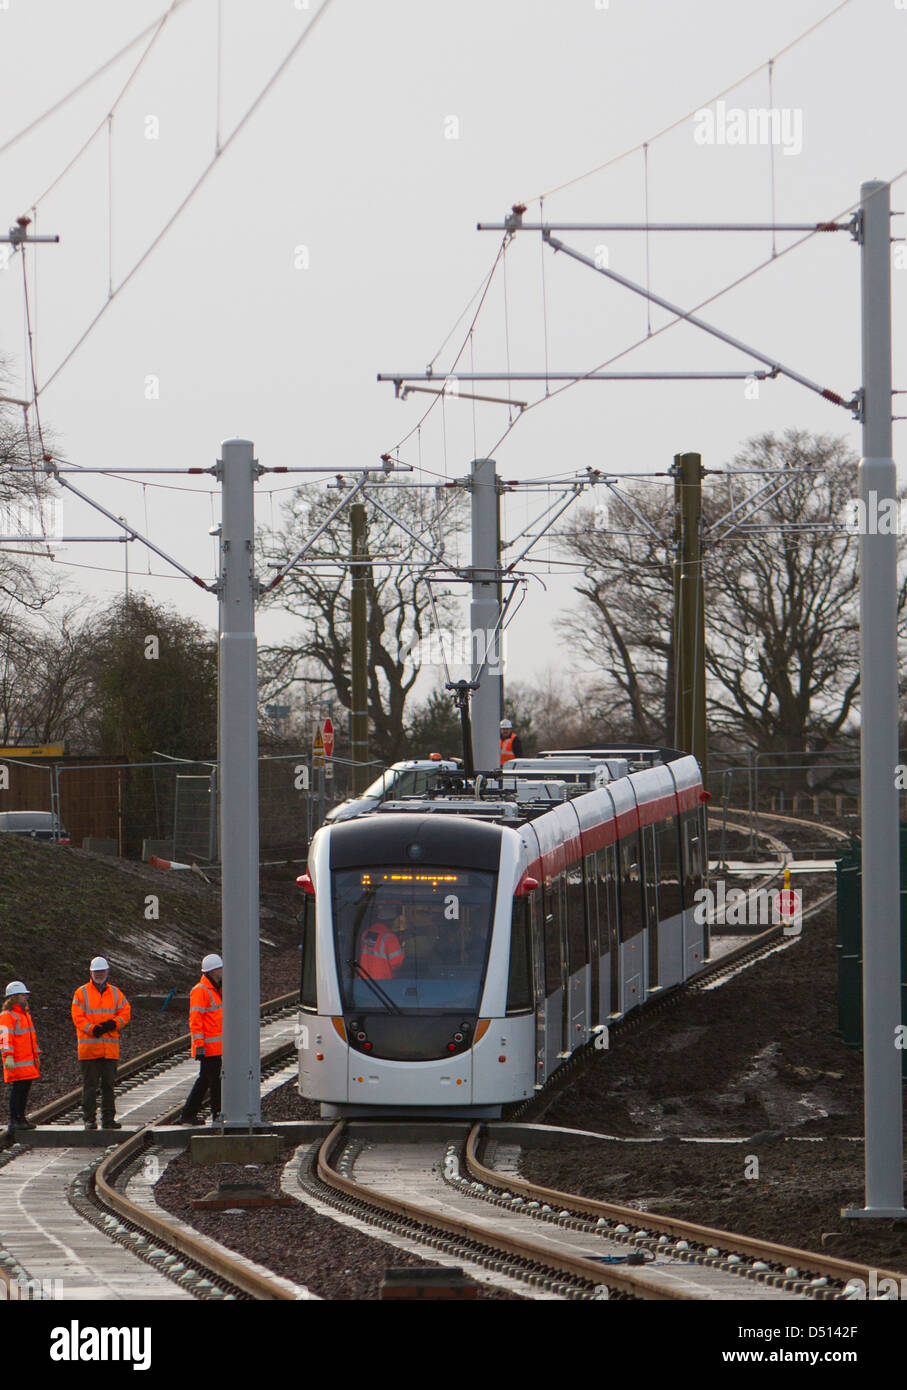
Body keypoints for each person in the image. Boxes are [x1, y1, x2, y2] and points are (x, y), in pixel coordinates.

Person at [71, 956, 130, 1131]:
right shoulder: (81, 993)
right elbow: (77, 1017)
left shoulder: (116, 993)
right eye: (96, 972)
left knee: (108, 1086)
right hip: (89, 1049)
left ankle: (108, 1120)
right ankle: (89, 1120)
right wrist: (92, 1029)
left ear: (107, 972)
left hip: (109, 1049)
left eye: (102, 971)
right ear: (91, 973)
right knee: (90, 1086)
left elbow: (125, 1012)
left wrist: (114, 1023)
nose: (99, 974)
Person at [178, 954, 223, 1125]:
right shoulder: (201, 990)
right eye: (220, 968)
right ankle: (216, 1114)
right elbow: (195, 1019)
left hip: (215, 1045)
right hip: (208, 1046)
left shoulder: (216, 989)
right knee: (213, 1081)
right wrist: (199, 1045)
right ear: (213, 971)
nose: (223, 971)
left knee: (205, 1079)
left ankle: (189, 1114)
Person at [0, 981, 40, 1133]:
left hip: (26, 1061)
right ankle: (14, 1120)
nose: (25, 997)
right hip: (17, 1061)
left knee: (23, 1090)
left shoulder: (24, 1015)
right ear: (14, 997)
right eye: (23, 995)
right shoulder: (8, 1016)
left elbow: (30, 1038)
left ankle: (20, 1119)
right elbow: (5, 1038)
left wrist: (36, 1055)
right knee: (18, 1090)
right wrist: (8, 1056)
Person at [357, 905, 405, 980]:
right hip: (382, 981)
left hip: (364, 980)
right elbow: (397, 963)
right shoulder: (390, 937)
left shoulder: (366, 933)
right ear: (390, 920)